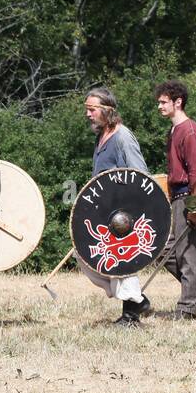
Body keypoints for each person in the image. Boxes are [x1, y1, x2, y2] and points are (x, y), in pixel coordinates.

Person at [81, 87, 152, 325]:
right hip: (106, 212)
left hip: (124, 214)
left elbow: (141, 175)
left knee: (123, 262)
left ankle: (131, 314)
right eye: (86, 109)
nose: (88, 114)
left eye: (92, 109)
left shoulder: (122, 137)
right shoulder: (101, 137)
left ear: (107, 110)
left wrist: (125, 199)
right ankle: (136, 300)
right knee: (88, 257)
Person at [155, 80, 196, 320]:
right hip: (176, 197)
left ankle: (188, 307)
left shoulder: (189, 130)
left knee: (188, 253)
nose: (159, 106)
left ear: (177, 102)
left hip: (188, 196)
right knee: (164, 248)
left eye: (163, 102)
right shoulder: (173, 130)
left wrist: (195, 204)